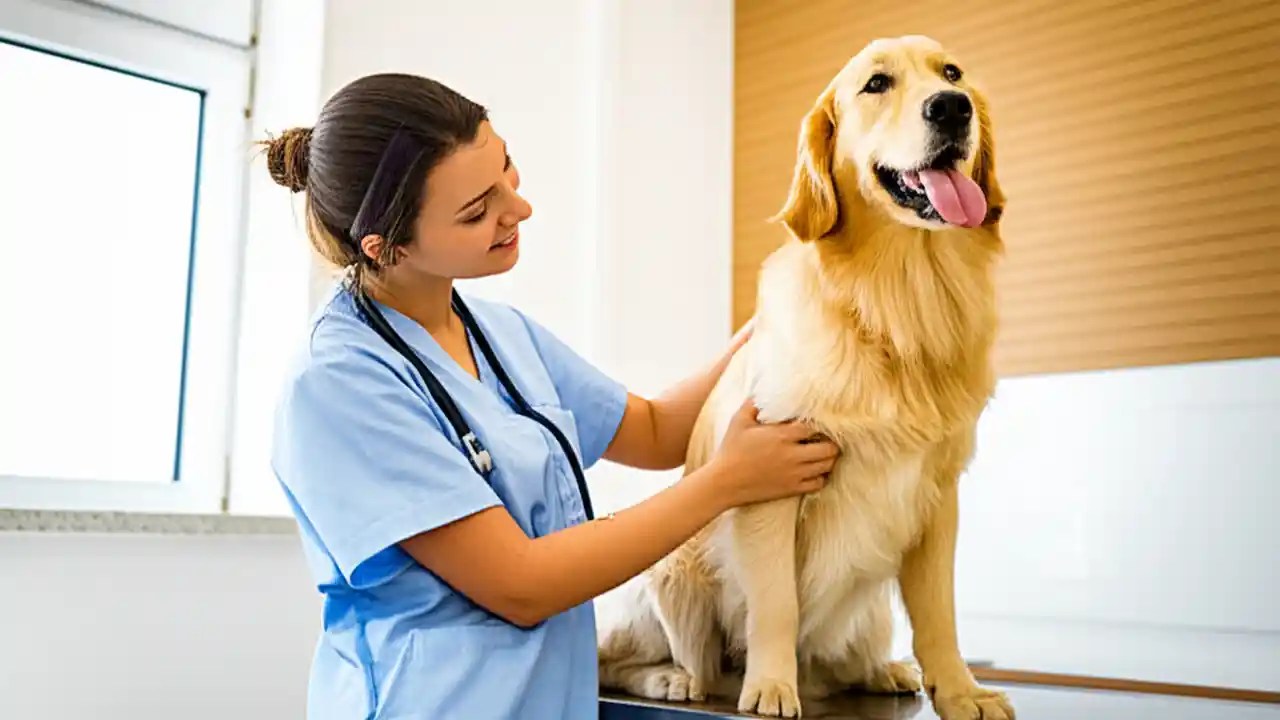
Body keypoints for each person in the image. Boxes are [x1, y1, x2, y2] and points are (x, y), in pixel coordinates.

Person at [264, 72, 839, 720]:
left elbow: (654, 432)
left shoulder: (499, 334)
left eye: (507, 169)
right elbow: (521, 584)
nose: (519, 208)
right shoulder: (339, 383)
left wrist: (783, 316)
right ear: (386, 247)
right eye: (477, 210)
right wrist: (724, 483)